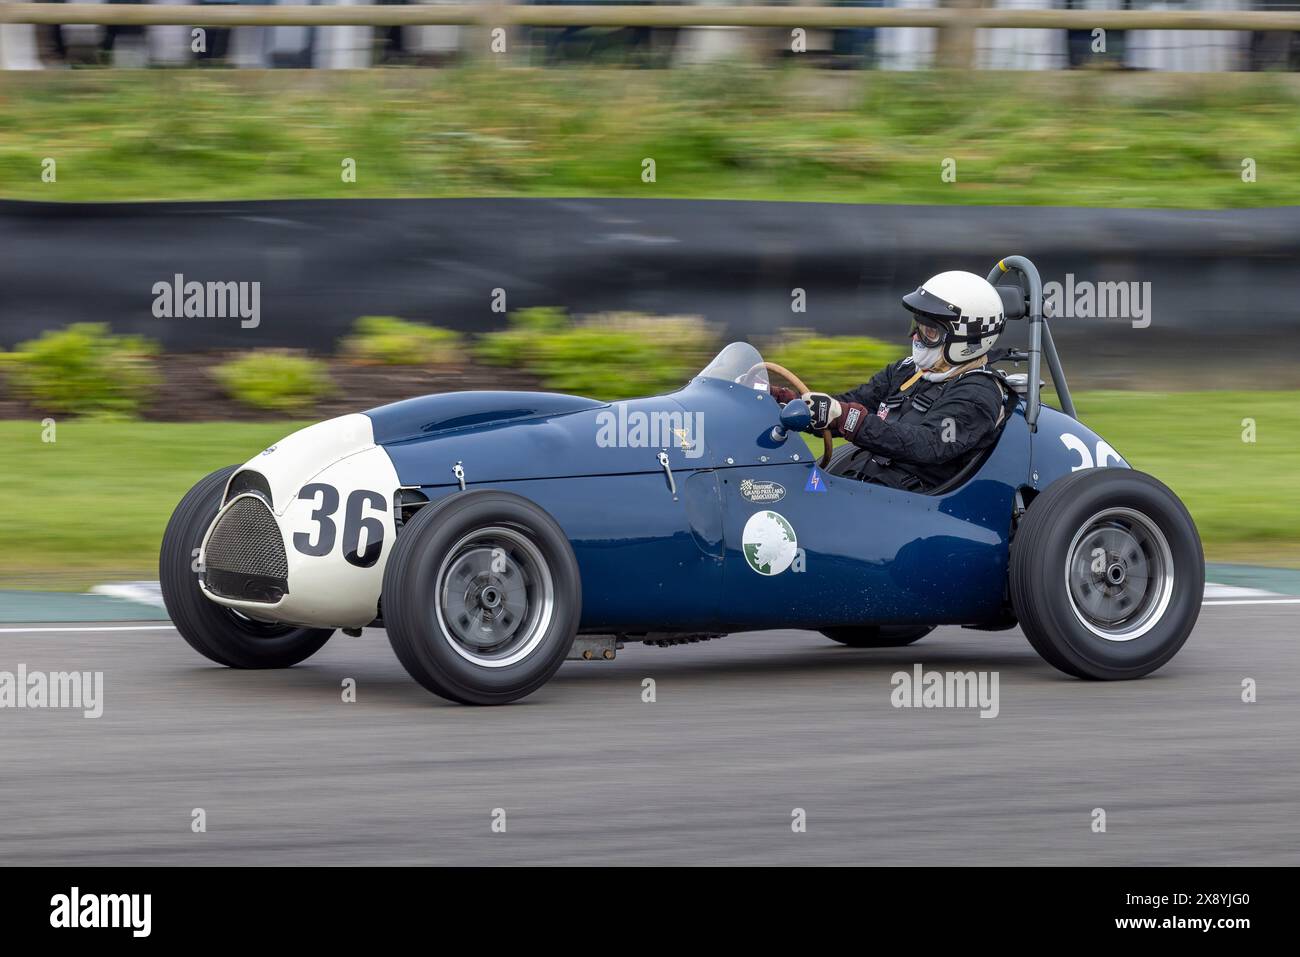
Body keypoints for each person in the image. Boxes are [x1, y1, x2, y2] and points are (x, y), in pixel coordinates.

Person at [771, 271, 1010, 493]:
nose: (915, 336)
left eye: (930, 331)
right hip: (866, 485)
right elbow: (846, 404)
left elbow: (929, 444)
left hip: (914, 507)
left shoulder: (979, 393)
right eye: (917, 325)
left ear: (966, 339)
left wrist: (849, 419)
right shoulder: (906, 370)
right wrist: (784, 401)